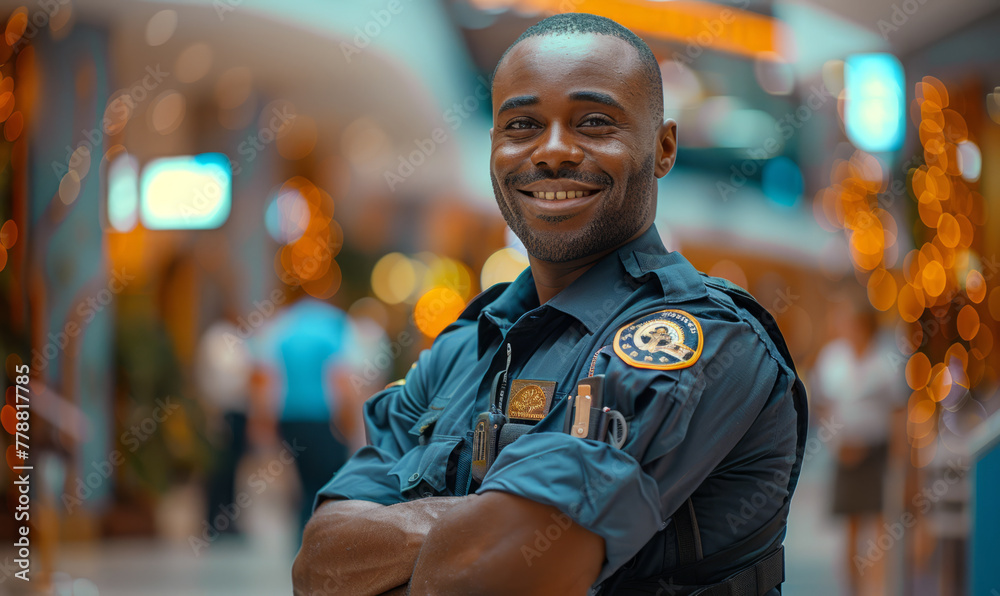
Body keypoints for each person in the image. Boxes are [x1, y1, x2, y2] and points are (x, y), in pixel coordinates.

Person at [293, 13, 808, 595]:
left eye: (594, 122)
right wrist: (481, 520)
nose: (552, 151)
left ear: (663, 148)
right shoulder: (461, 352)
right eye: (522, 125)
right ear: (494, 146)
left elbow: (508, 572)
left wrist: (418, 542)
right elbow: (319, 563)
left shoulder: (702, 342)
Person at [812, 295, 906, 594]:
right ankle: (853, 589)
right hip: (845, 453)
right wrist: (835, 442)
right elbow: (822, 406)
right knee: (850, 528)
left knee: (880, 530)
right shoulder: (832, 358)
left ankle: (877, 590)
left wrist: (900, 459)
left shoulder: (885, 359)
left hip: (876, 452)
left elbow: (898, 412)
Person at [251, 287, 358, 544]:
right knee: (328, 482)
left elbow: (265, 378)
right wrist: (350, 421)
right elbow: (341, 378)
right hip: (322, 417)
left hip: (290, 417)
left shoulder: (282, 326)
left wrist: (264, 420)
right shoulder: (332, 325)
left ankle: (302, 540)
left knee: (303, 483)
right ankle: (322, 542)